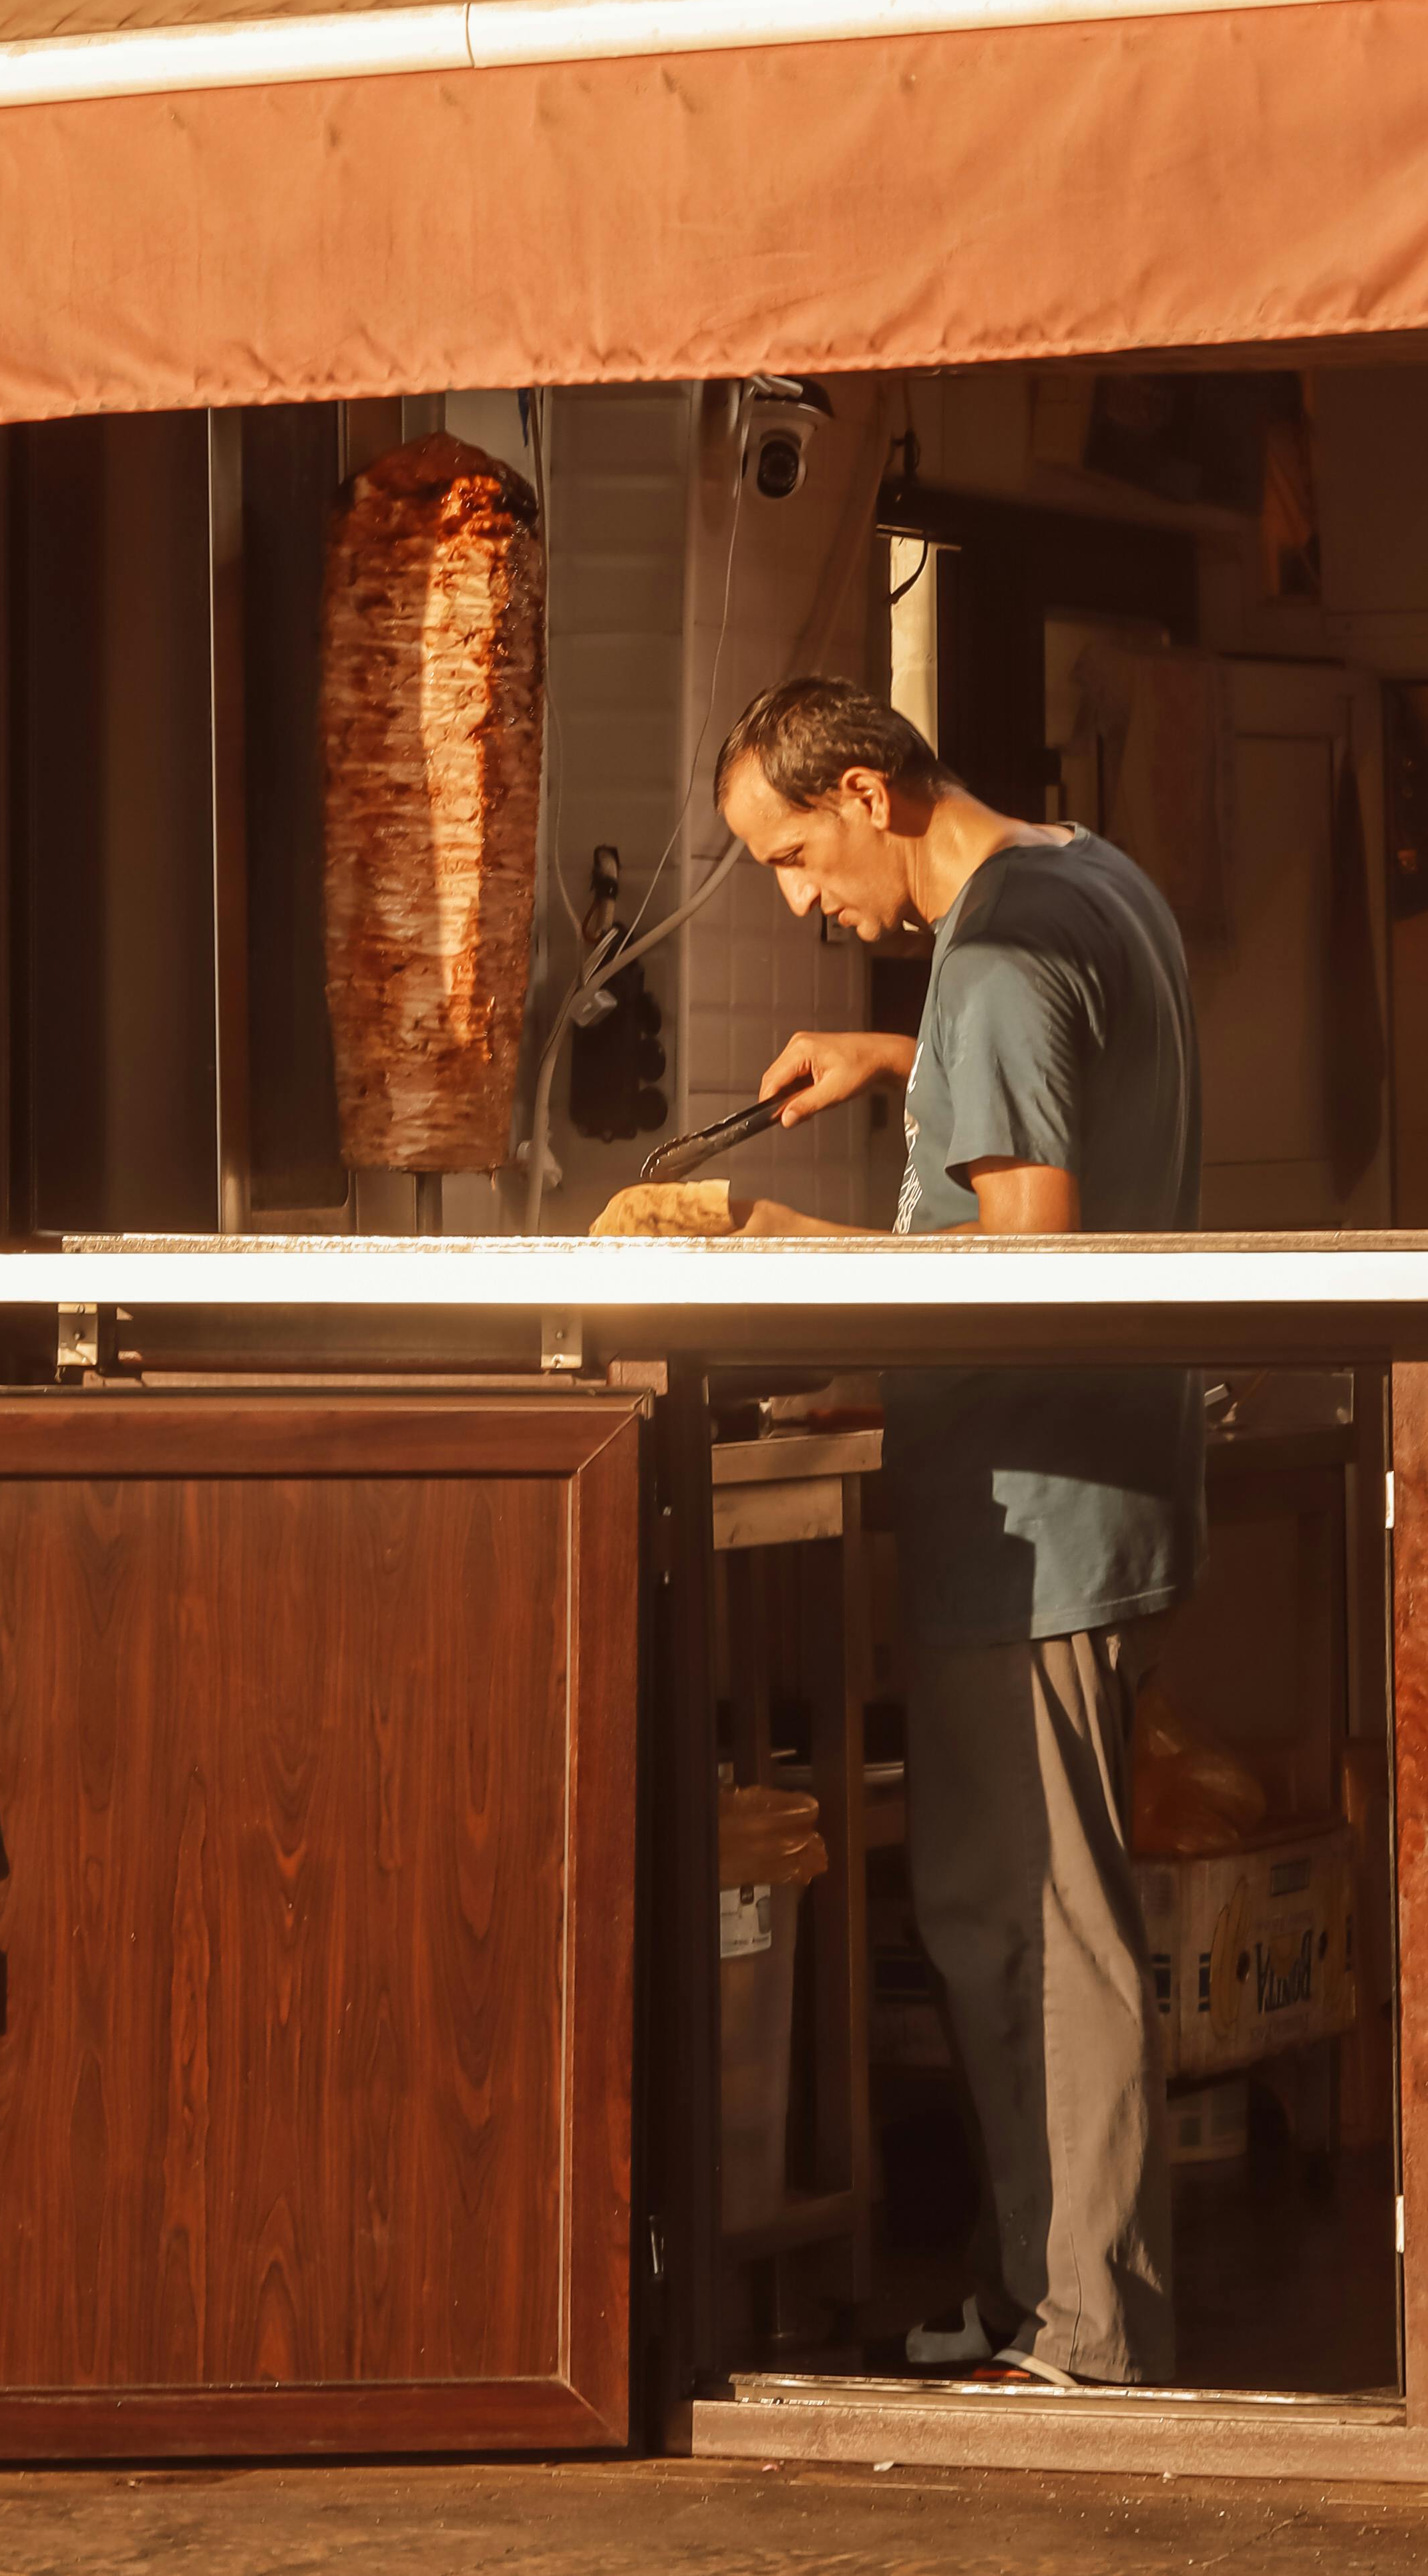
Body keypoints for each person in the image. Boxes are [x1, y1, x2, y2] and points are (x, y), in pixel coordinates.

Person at [712, 674, 1204, 2391]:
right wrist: (901, 1065)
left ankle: (1084, 2340)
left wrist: (800, 1253)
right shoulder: (1082, 877)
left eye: (790, 856)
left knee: (1039, 1932)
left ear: (864, 790)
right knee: (1005, 1916)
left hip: (1030, 1516)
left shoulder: (990, 951)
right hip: (1087, 1488)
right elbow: (1076, 1088)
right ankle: (1034, 2297)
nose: (799, 901)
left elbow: (1036, 1252)